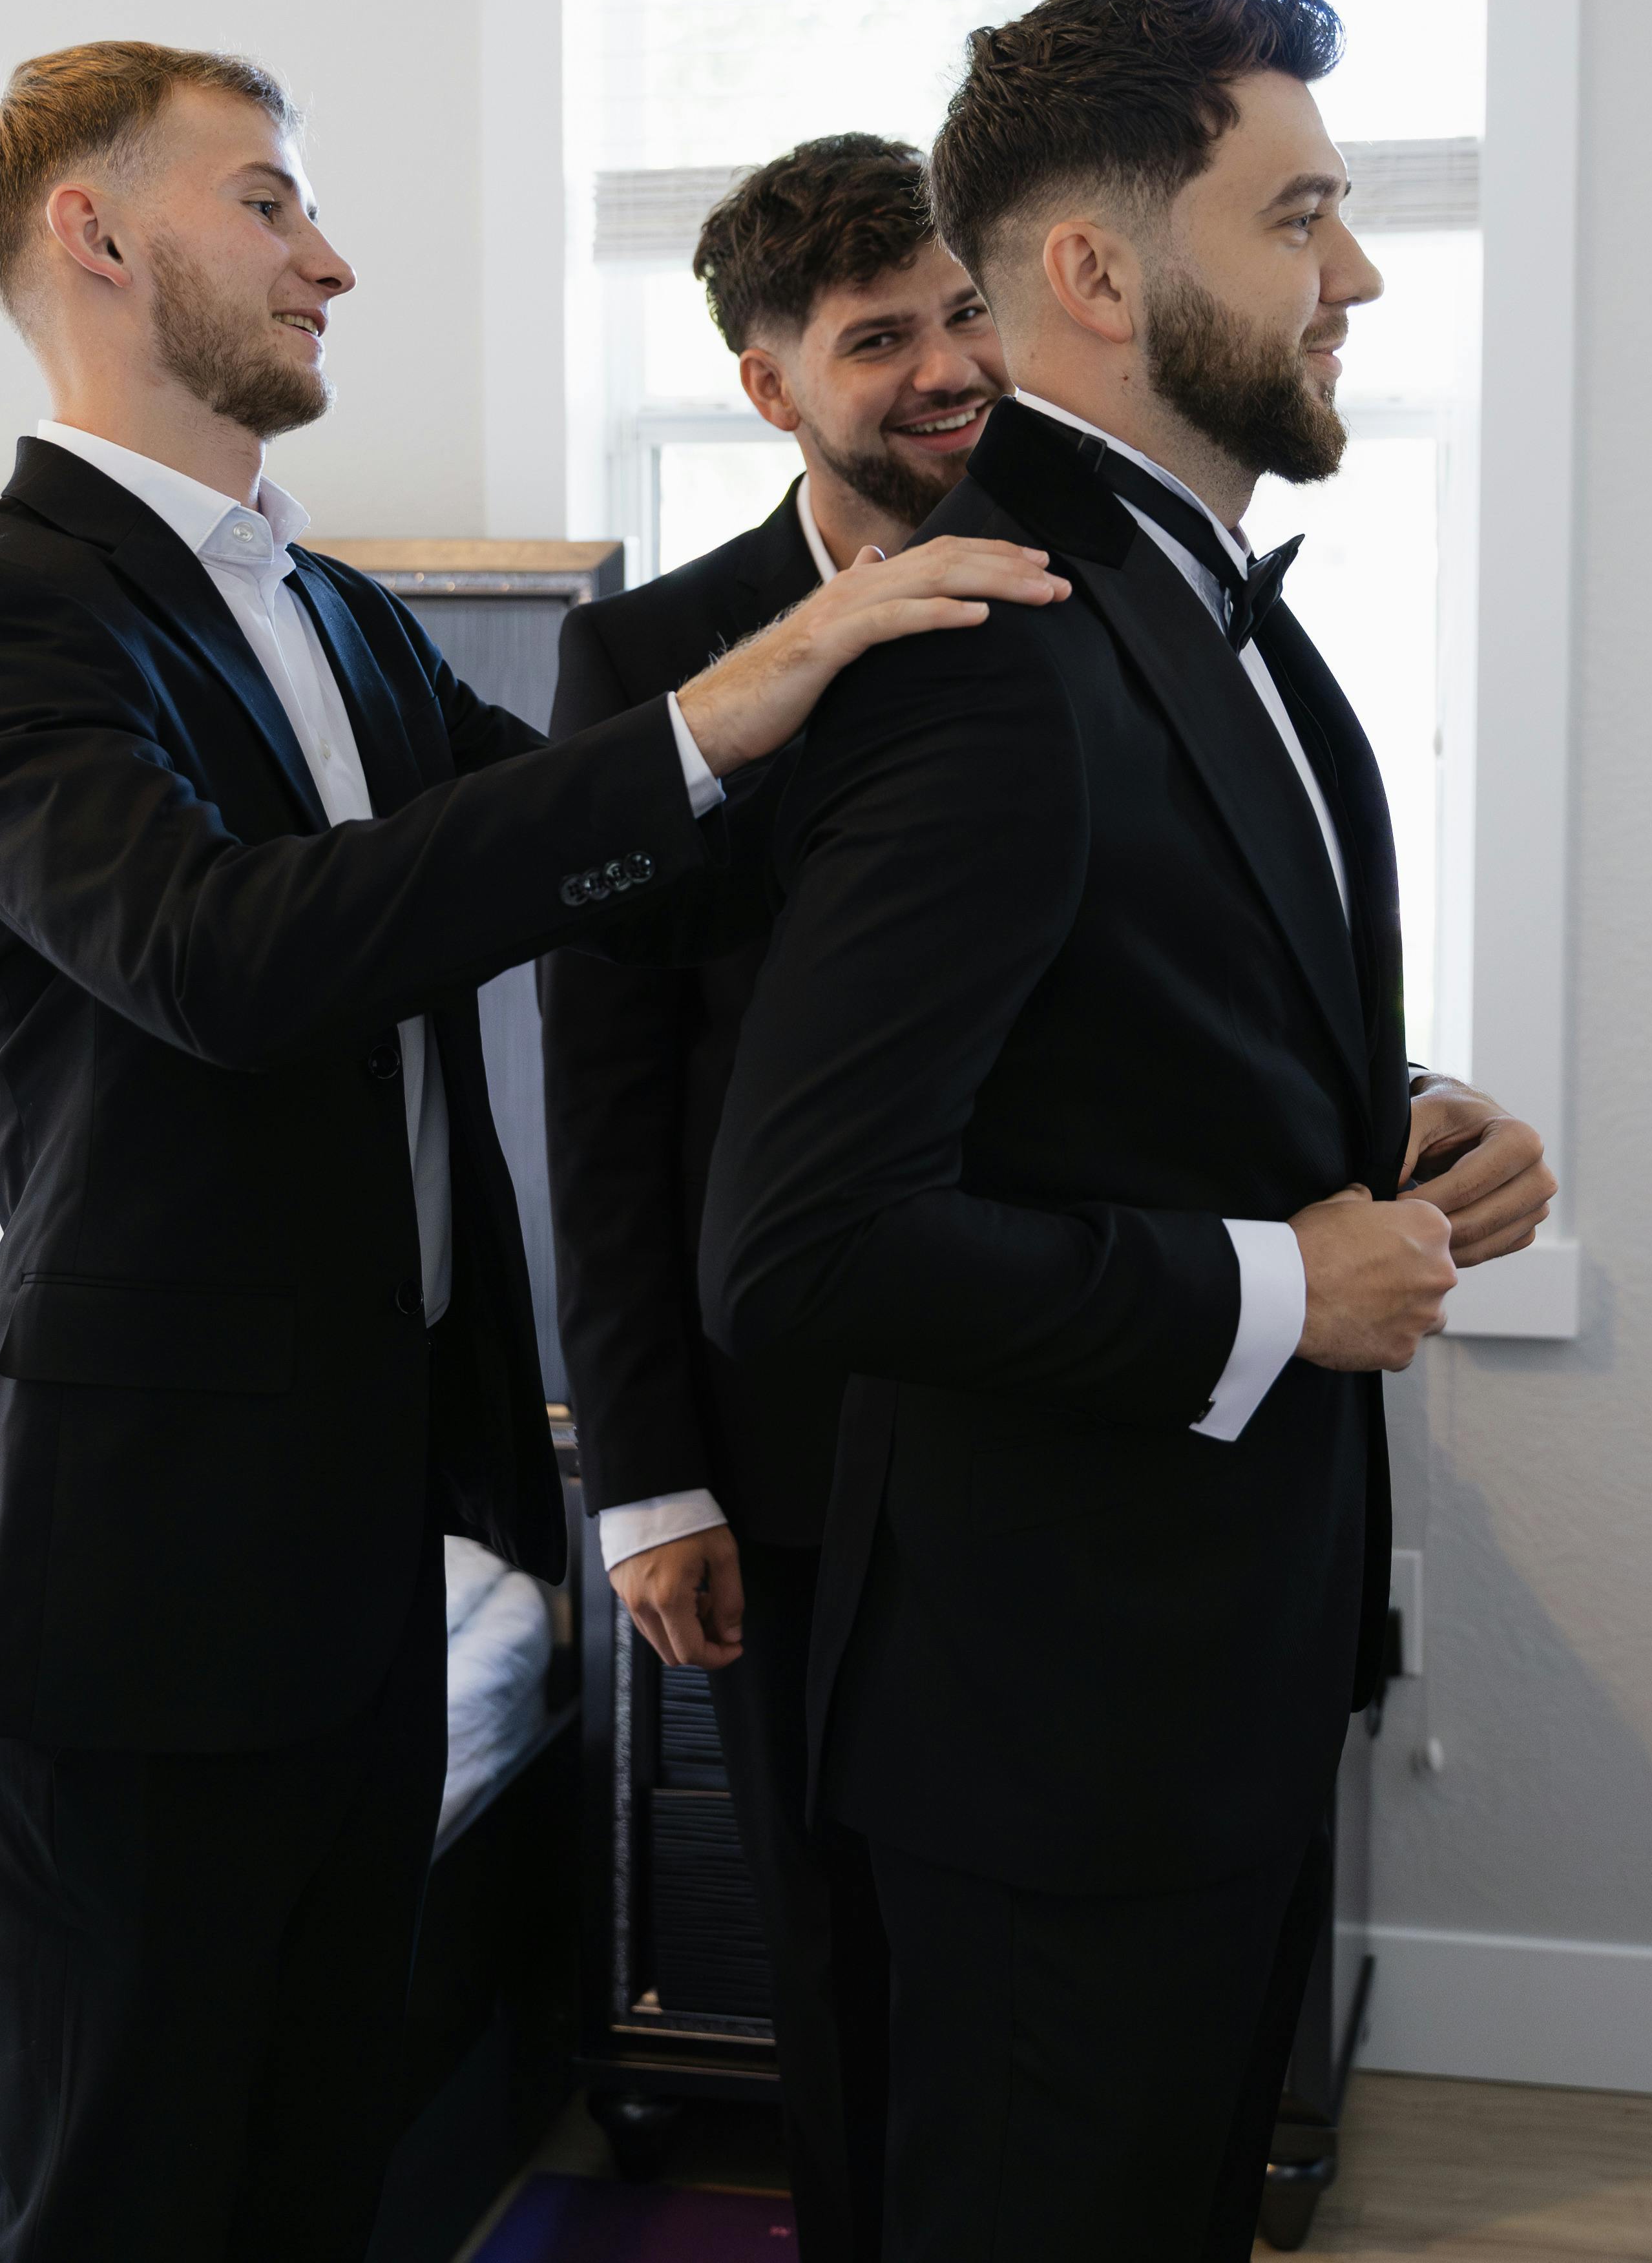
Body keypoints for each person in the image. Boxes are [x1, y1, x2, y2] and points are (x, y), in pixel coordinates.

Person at [0, 41, 1069, 2263]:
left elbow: (655, 885)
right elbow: (225, 957)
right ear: (97, 230)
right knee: (125, 2201)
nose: (329, 260)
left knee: (315, 2180)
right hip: (129, 1594)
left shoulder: (334, 616)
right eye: (272, 204)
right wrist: (723, 698)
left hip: (362, 1554)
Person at [698, 0, 1558, 2262]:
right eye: (1300, 219)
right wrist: (1290, 1275)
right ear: (1092, 275)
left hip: (1204, 1698)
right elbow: (805, 1240)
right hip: (1047, 1749)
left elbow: (1118, 1035)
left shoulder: (1200, 615)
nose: (1356, 277)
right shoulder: (985, 652)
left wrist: (1399, 1124)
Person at [542, 134, 1010, 2259]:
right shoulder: (648, 657)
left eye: (962, 311)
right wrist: (646, 1477)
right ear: (768, 387)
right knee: (830, 1957)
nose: (947, 368)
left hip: (1062, 1388)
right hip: (780, 1437)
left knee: (1045, 1967)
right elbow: (609, 1081)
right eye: (880, 339)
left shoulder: (1098, 591)